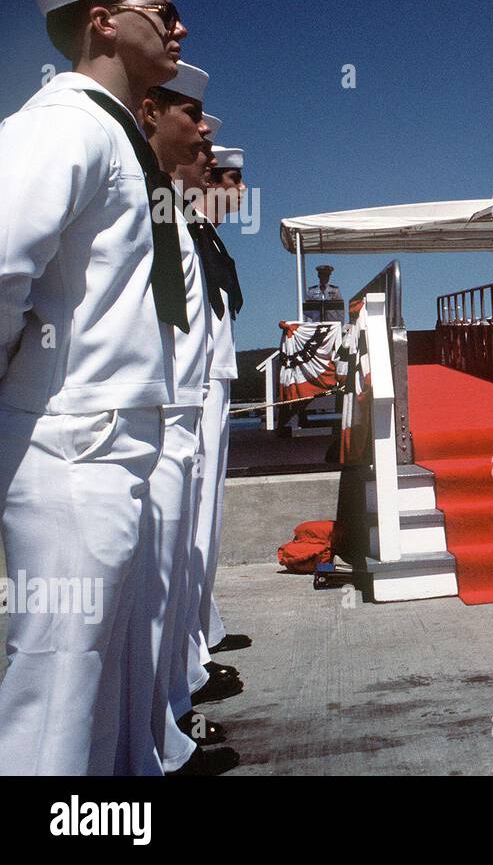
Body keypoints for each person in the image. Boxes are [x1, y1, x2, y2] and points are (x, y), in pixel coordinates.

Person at [0, 0, 189, 774]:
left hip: (109, 438)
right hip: (72, 438)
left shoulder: (110, 134)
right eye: (163, 11)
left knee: (103, 683)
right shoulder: (64, 126)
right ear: (104, 23)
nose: (181, 28)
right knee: (57, 684)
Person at [129, 62, 237, 775]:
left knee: (192, 540)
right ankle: (162, 713)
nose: (208, 151)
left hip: (195, 392)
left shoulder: (189, 223)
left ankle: (174, 694)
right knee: (157, 566)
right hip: (160, 402)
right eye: (215, 165)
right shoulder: (152, 205)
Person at [188, 142, 249, 699]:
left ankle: (203, 629)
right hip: (194, 384)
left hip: (216, 379)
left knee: (208, 514)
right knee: (192, 514)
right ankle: (189, 655)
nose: (238, 190)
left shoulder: (207, 234)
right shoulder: (184, 226)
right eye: (228, 177)